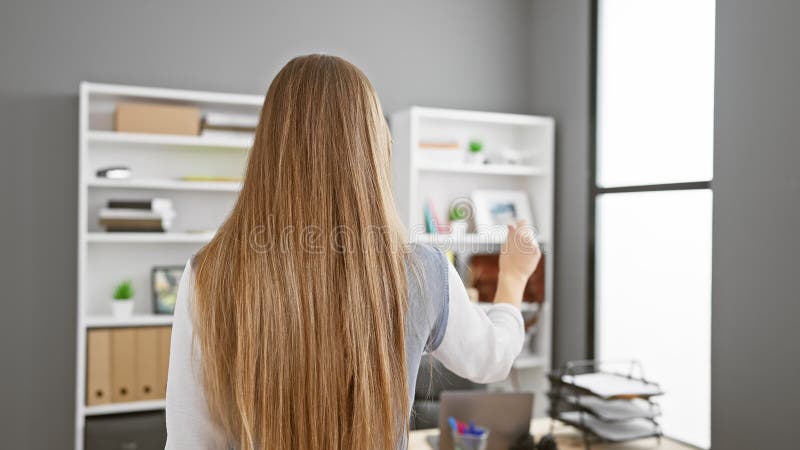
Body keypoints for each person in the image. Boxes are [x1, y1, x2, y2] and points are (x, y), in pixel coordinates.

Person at [165, 54, 541, 450]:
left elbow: (191, 441)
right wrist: (514, 277)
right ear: (374, 147)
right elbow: (491, 359)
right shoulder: (421, 271)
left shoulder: (208, 272)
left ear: (268, 149)